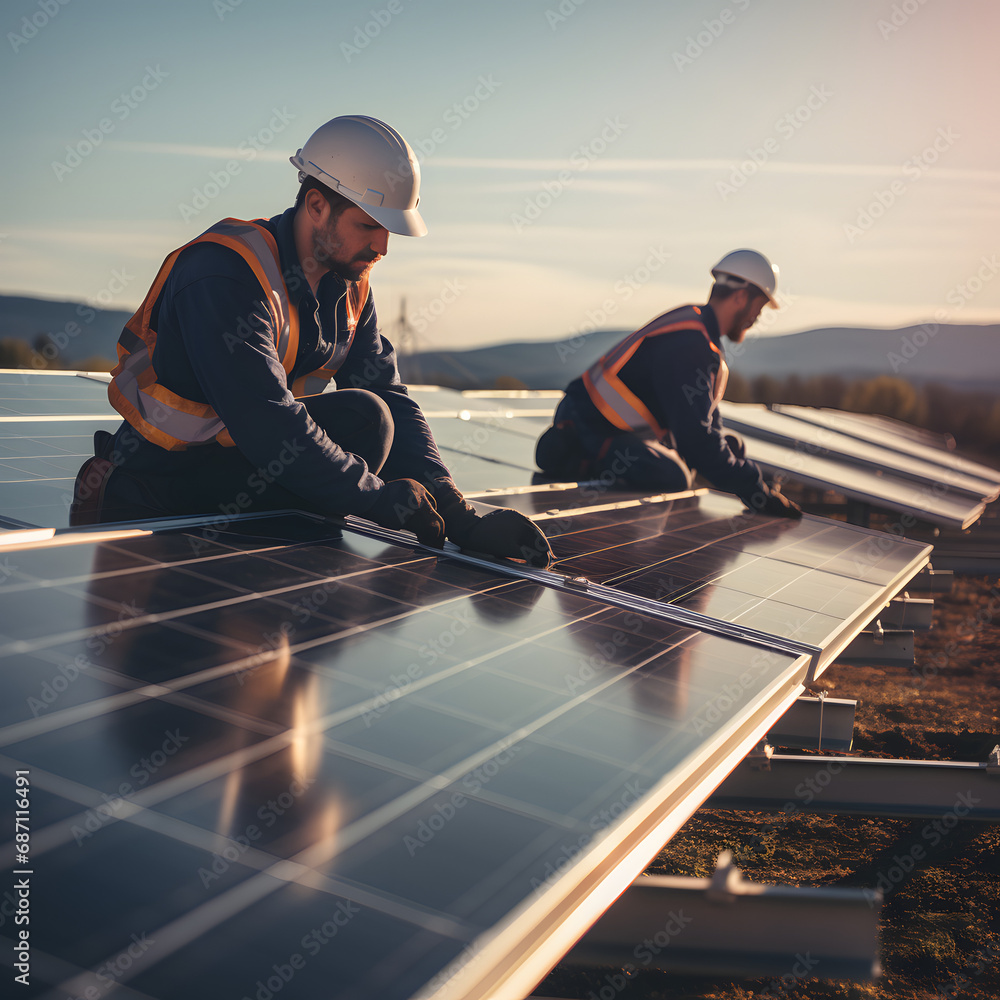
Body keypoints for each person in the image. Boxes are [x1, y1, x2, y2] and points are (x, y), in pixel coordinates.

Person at [71, 115, 553, 566]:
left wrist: (460, 516)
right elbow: (265, 418)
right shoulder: (224, 273)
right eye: (369, 225)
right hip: (163, 474)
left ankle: (274, 538)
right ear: (317, 206)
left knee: (370, 419)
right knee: (354, 433)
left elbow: (388, 394)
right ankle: (136, 498)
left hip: (243, 461)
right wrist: (376, 499)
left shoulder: (349, 286)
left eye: (389, 230)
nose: (383, 247)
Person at [534, 249, 801, 518]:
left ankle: (675, 465)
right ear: (741, 297)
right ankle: (575, 459)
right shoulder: (689, 344)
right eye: (759, 307)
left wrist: (752, 484)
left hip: (622, 430)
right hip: (586, 427)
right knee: (672, 477)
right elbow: (696, 440)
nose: (757, 317)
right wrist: (756, 493)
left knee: (731, 447)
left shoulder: (699, 334)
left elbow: (708, 425)